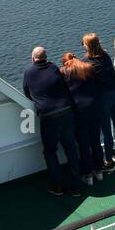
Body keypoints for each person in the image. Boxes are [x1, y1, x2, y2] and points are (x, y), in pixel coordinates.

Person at [24, 47, 83, 196]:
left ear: (33, 59)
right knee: (70, 148)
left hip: (48, 116)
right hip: (66, 111)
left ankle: (57, 186)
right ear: (46, 57)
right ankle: (76, 186)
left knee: (50, 151)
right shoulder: (54, 67)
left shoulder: (29, 71)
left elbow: (26, 92)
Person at [60, 50, 105, 184]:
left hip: (79, 112)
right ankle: (99, 171)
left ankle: (88, 175)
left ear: (65, 62)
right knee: (96, 141)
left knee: (84, 144)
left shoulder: (64, 72)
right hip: (95, 107)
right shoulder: (88, 68)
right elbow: (97, 85)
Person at [86, 33, 115, 166]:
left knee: (106, 129)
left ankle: (109, 160)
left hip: (103, 98)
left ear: (87, 45)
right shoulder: (105, 56)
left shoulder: (87, 61)